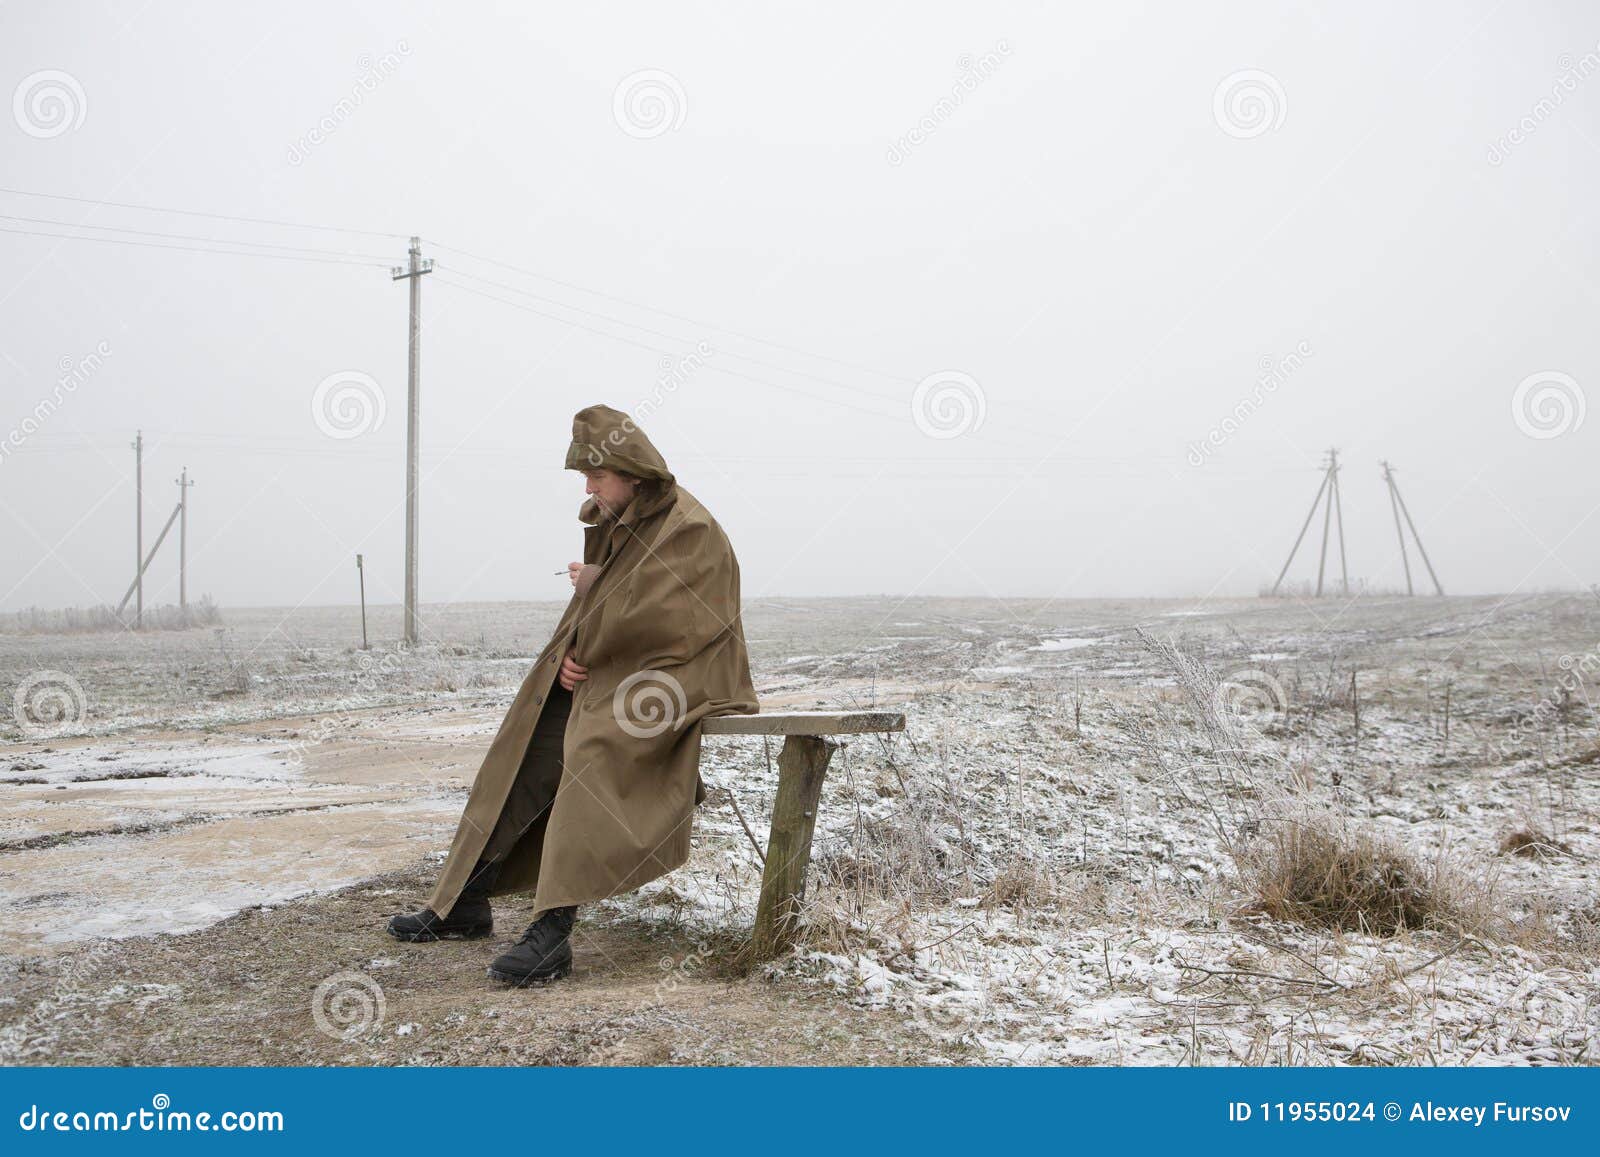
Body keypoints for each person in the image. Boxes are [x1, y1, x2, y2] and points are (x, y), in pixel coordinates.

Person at [387, 404, 759, 986]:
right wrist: (570, 654)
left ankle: (552, 930)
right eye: (586, 477)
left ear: (633, 473)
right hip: (617, 670)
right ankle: (466, 898)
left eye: (597, 476)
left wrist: (596, 585)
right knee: (529, 742)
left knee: (592, 751)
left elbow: (676, 621)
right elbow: (608, 614)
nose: (589, 488)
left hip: (682, 676)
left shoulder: (690, 528)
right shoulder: (622, 519)